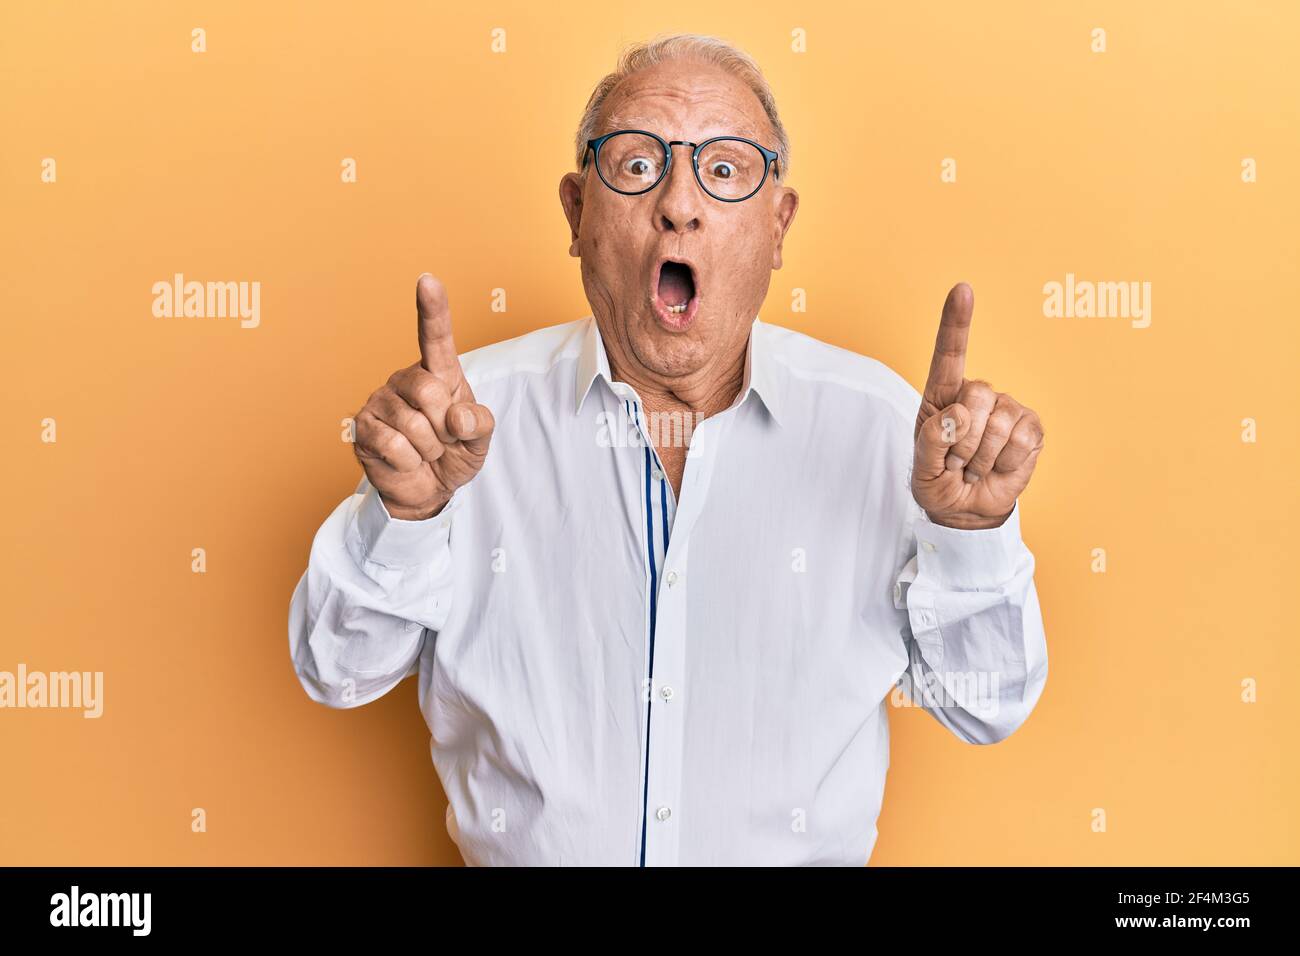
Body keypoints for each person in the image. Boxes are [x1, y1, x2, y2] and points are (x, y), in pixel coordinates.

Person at [289, 32, 1047, 866]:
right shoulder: (459, 424)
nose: (679, 203)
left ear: (777, 224)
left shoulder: (884, 431)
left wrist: (968, 538)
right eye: (639, 164)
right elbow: (338, 672)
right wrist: (404, 515)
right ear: (576, 213)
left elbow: (988, 708)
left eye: (724, 170)